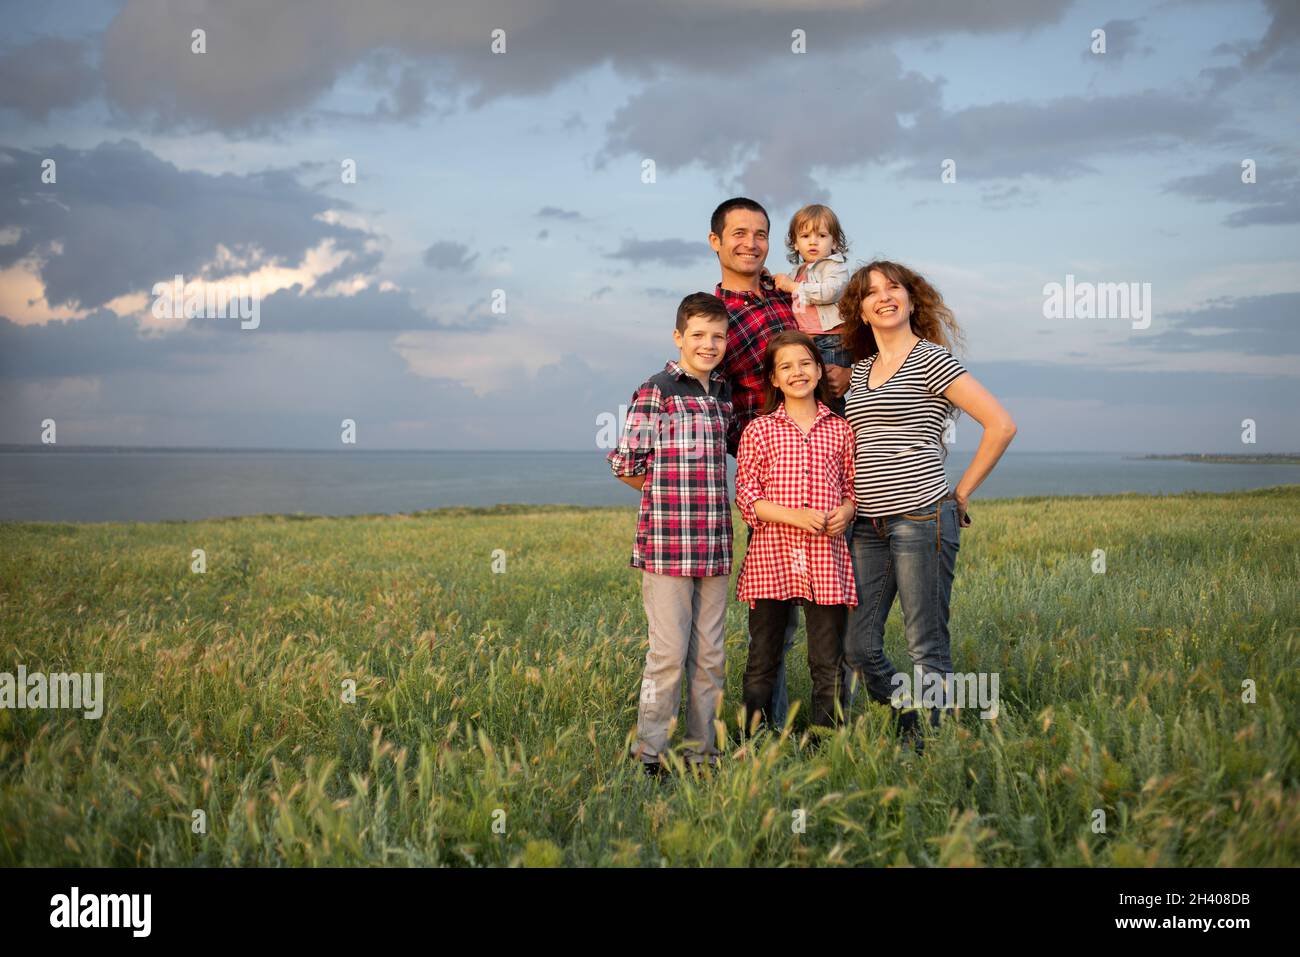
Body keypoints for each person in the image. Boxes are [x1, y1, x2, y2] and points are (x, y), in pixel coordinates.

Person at [839, 261, 1017, 749]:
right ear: (860, 309)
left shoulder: (933, 360)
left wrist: (960, 494)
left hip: (922, 515)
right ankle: (909, 719)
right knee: (858, 646)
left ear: (912, 300)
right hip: (867, 525)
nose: (884, 297)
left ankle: (935, 750)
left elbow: (1000, 424)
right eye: (871, 292)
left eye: (893, 288)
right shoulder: (858, 372)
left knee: (925, 646)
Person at [710, 196, 848, 729]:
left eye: (760, 233)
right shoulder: (715, 313)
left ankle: (830, 726)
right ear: (716, 241)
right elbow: (705, 383)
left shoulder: (788, 287)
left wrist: (844, 373)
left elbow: (833, 337)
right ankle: (766, 726)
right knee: (772, 627)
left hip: (832, 455)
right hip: (772, 471)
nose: (750, 243)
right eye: (738, 233)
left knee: (831, 620)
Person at [608, 292, 734, 775]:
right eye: (698, 335)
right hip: (667, 546)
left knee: (711, 654)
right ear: (679, 337)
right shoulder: (656, 390)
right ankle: (650, 753)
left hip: (716, 544)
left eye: (717, 336)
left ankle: (704, 751)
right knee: (666, 654)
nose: (708, 344)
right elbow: (626, 465)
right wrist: (667, 494)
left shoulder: (722, 395)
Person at [735, 331, 856, 733]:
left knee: (827, 660)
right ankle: (754, 740)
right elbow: (748, 497)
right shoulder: (759, 430)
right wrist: (795, 516)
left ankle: (826, 743)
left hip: (826, 559)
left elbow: (852, 488)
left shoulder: (841, 429)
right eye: (785, 366)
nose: (797, 372)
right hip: (772, 558)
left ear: (820, 369)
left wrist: (846, 510)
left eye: (805, 363)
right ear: (773, 378)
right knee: (763, 658)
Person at [770, 204, 852, 417]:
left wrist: (793, 286)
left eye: (822, 235)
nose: (813, 241)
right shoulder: (798, 271)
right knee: (810, 394)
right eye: (805, 236)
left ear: (834, 242)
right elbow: (788, 293)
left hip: (831, 339)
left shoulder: (835, 267)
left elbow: (829, 292)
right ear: (795, 243)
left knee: (829, 392)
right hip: (808, 340)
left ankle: (836, 427)